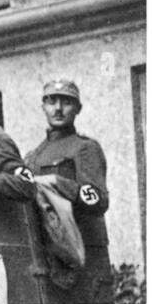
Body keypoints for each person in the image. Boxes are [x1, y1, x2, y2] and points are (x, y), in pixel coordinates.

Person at [24, 79, 110, 264]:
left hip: (84, 252)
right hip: (47, 252)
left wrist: (57, 183)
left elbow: (98, 200)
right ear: (43, 107)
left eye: (66, 102)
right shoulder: (33, 156)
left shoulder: (85, 148)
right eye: (51, 102)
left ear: (78, 108)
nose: (58, 109)